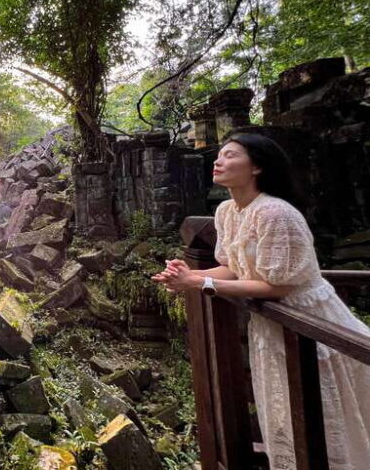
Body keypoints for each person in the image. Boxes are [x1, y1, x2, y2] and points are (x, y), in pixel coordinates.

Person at [151, 132, 370, 470]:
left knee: (327, 411)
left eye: (230, 155)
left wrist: (199, 281)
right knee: (283, 405)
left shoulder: (275, 214)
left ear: (257, 167)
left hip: (311, 321)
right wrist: (187, 278)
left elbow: (276, 286)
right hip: (271, 328)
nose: (218, 161)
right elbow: (232, 268)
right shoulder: (227, 211)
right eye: (219, 155)